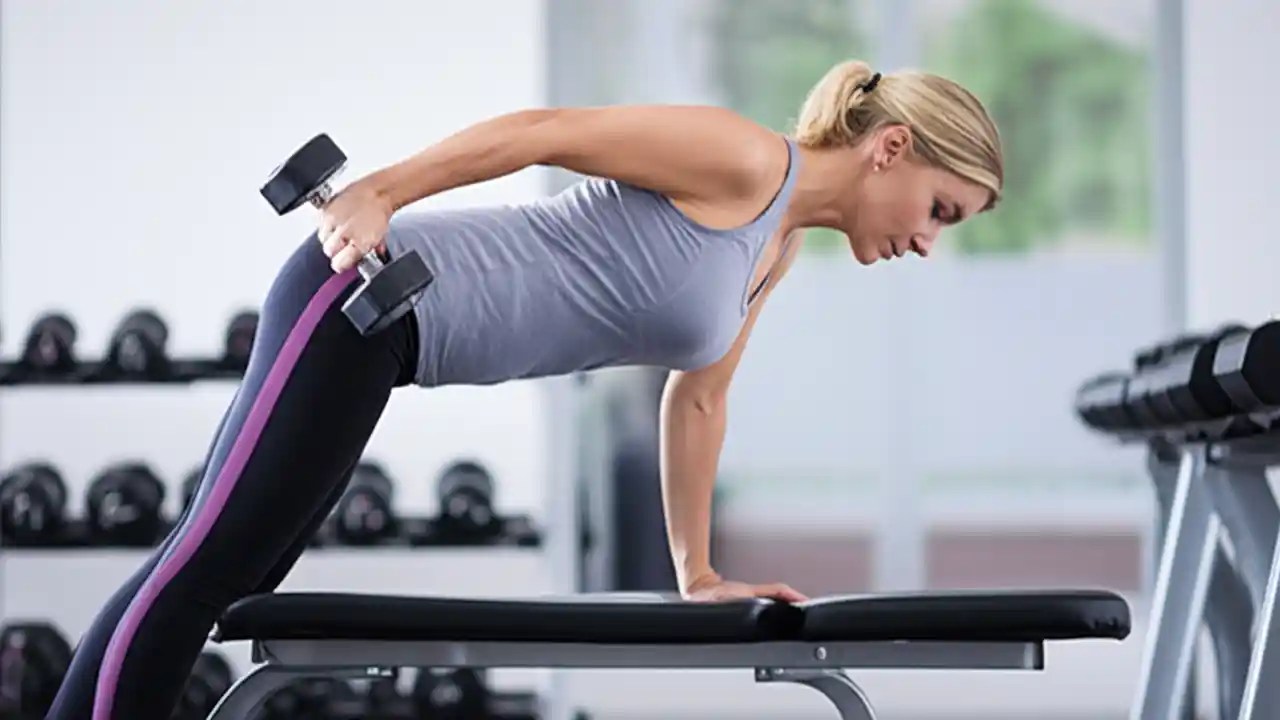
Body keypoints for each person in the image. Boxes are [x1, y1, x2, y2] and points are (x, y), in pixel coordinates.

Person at [47, 59, 1002, 720]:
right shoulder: (744, 159)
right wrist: (382, 189)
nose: (927, 238)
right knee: (207, 570)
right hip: (364, 290)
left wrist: (699, 576)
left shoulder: (775, 248)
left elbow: (698, 399)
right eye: (940, 210)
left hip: (388, 339)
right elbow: (547, 134)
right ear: (892, 149)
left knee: (224, 572)